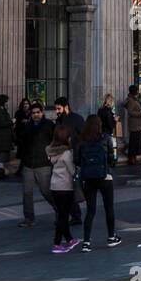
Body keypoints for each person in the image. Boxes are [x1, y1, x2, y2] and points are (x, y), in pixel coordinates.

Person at [79, 113, 121, 251]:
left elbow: (78, 160)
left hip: (88, 178)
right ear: (100, 125)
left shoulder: (82, 141)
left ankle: (86, 241)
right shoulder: (106, 138)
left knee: (90, 211)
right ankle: (111, 236)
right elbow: (113, 158)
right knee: (109, 208)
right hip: (105, 176)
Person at [17, 100, 56, 227]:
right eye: (33, 113)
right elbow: (22, 140)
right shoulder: (28, 126)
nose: (35, 115)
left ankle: (61, 212)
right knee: (26, 192)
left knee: (46, 192)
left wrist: (51, 155)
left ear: (42, 112)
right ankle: (29, 218)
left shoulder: (49, 124)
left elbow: (55, 141)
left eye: (38, 112)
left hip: (43, 163)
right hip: (29, 164)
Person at [47, 125, 80, 254]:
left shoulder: (52, 152)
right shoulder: (66, 153)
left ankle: (70, 239)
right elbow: (72, 170)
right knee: (63, 216)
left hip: (54, 186)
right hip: (65, 186)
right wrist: (78, 171)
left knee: (62, 214)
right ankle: (57, 243)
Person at [54, 96, 84, 224]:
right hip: (62, 156)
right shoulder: (59, 120)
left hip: (73, 156)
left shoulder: (76, 119)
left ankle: (74, 214)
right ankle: (72, 214)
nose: (57, 111)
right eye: (55, 109)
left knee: (70, 187)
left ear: (66, 107)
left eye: (59, 108)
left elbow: (83, 137)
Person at [124, 86, 141, 166]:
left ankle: (134, 157)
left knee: (136, 141)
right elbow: (130, 112)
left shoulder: (134, 100)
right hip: (135, 124)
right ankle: (131, 158)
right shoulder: (132, 101)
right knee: (134, 141)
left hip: (137, 123)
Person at [98, 93, 118, 167]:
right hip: (107, 133)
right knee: (110, 151)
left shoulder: (100, 110)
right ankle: (111, 164)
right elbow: (110, 125)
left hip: (100, 133)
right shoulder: (109, 111)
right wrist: (115, 120)